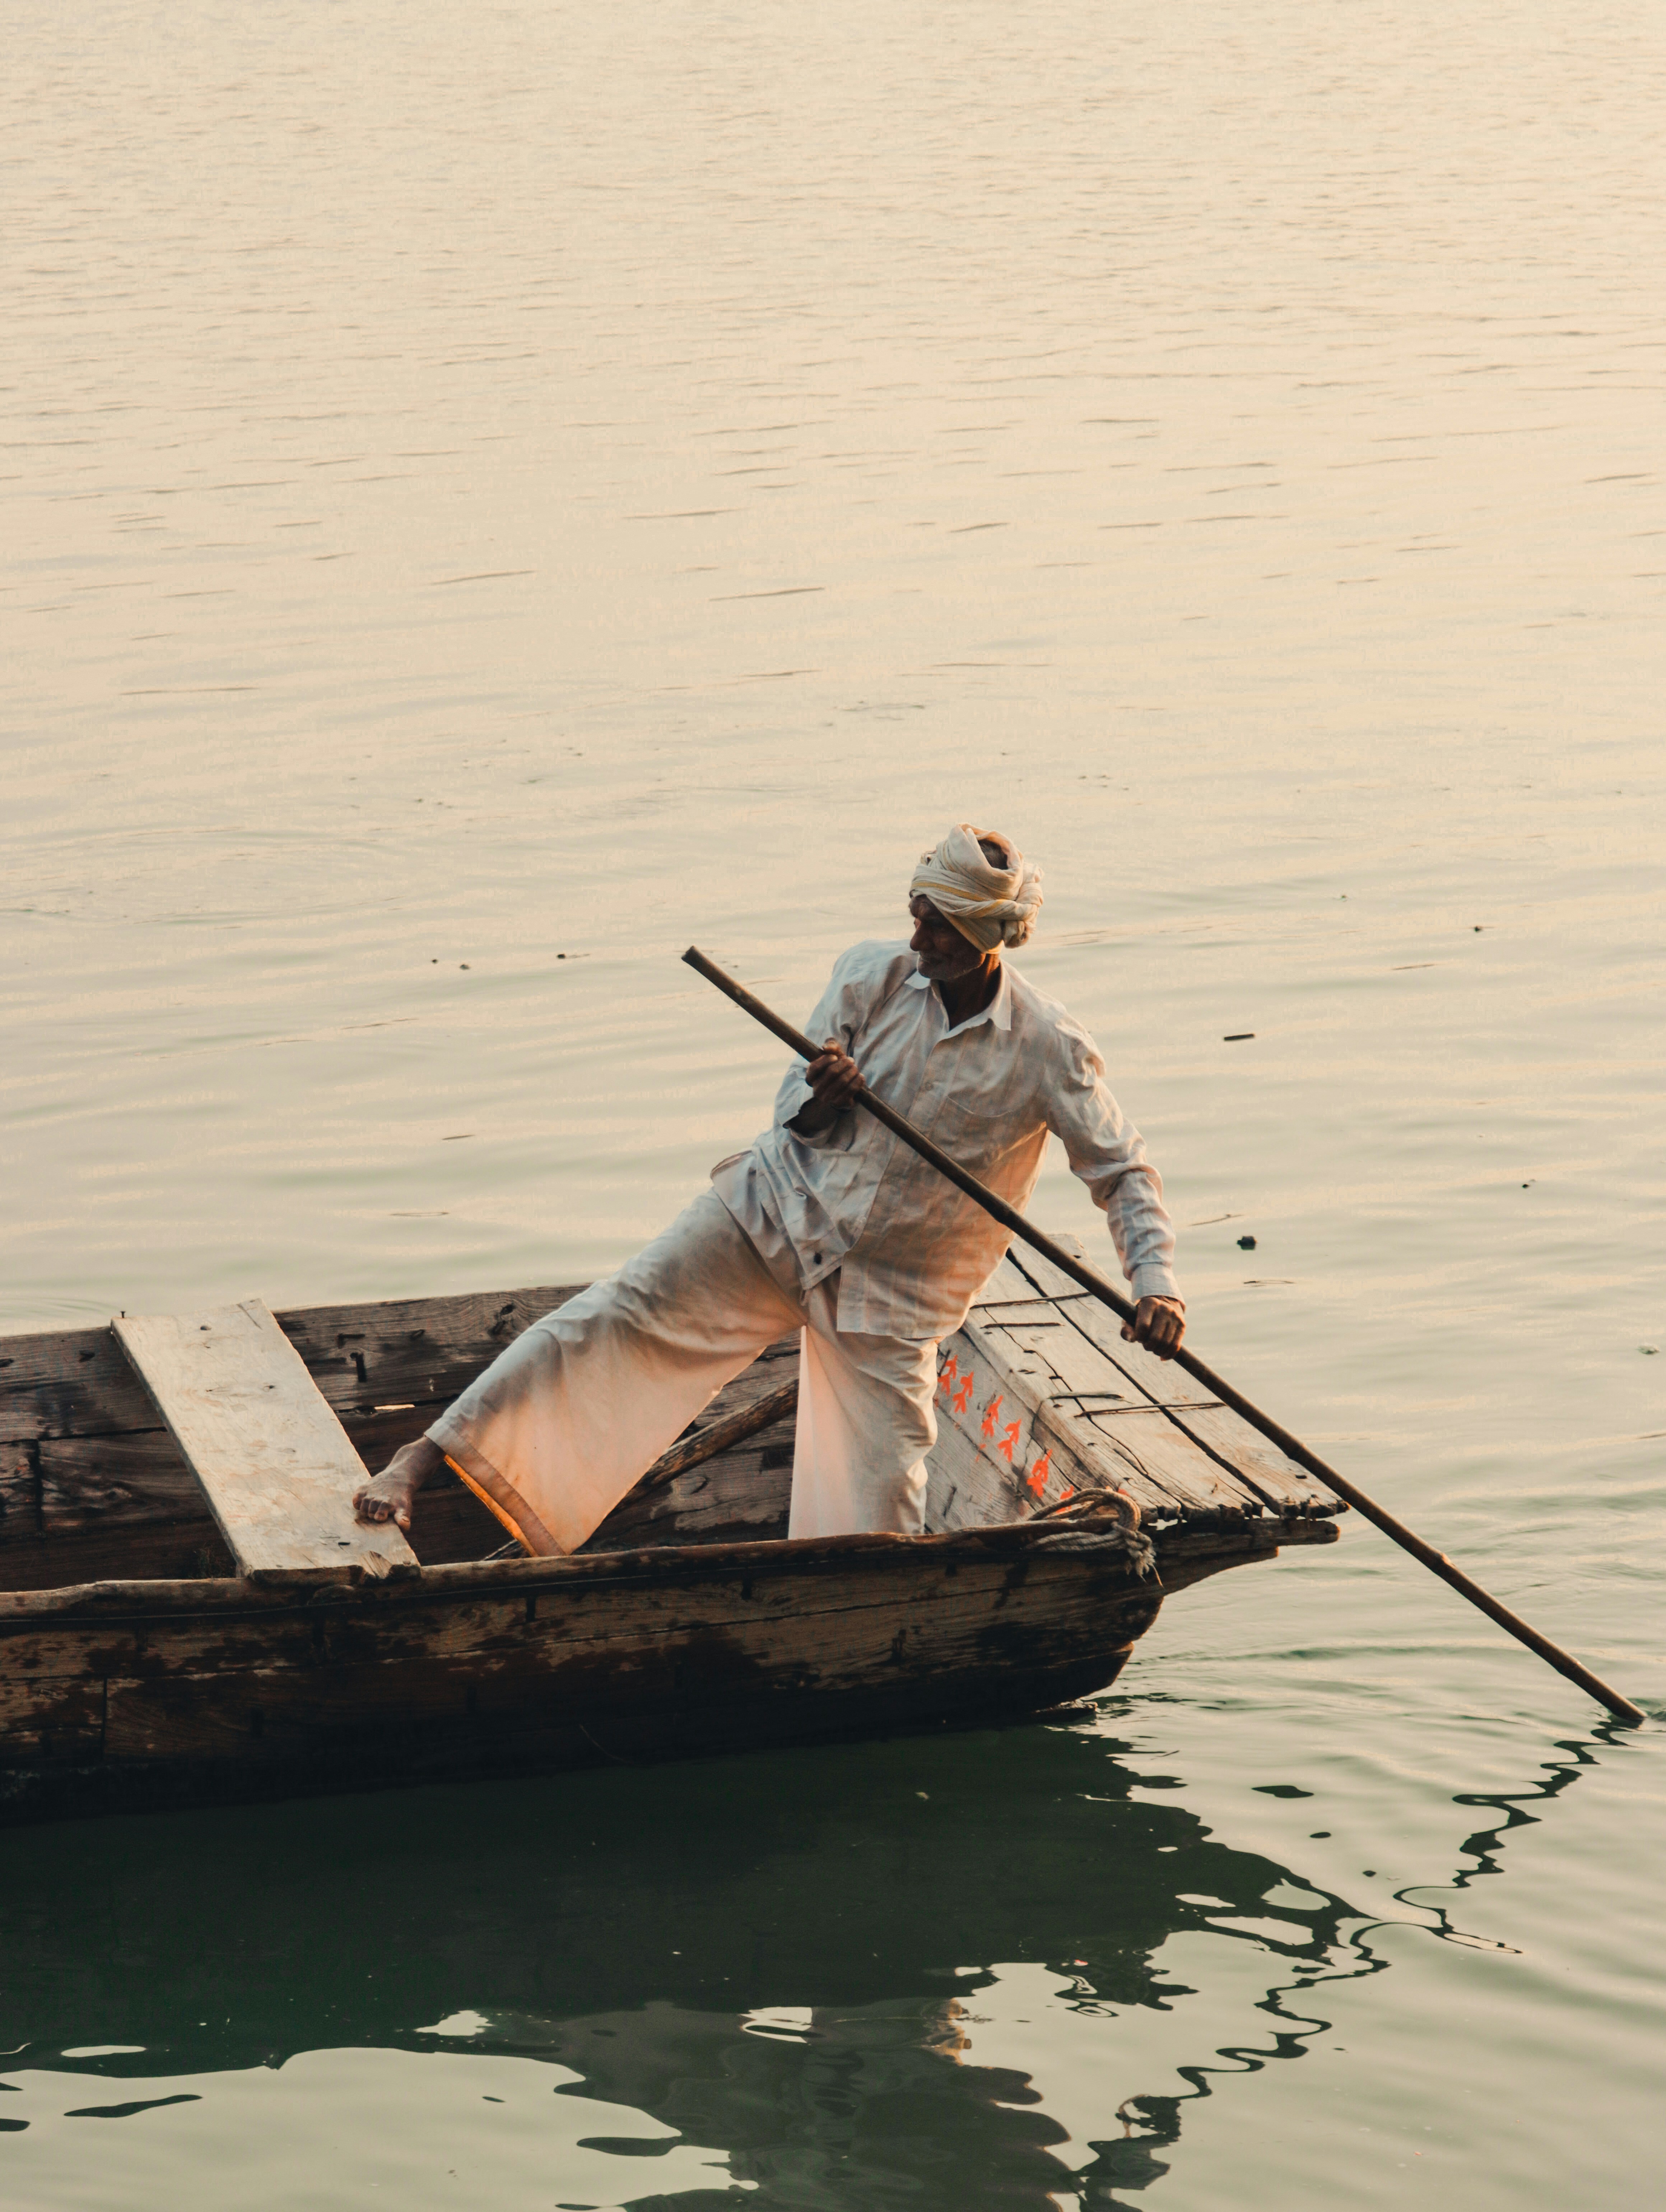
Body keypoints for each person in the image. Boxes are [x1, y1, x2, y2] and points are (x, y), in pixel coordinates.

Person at [353, 825, 1185, 1554]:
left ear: (983, 936)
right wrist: (821, 1095)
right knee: (607, 1317)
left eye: (939, 922)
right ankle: (419, 1459)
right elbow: (794, 1107)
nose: (918, 931)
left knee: (886, 1491)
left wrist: (1155, 1286)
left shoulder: (1047, 1045)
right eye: (917, 910)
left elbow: (1121, 1171)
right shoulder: (872, 974)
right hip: (776, 1217)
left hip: (897, 1293)